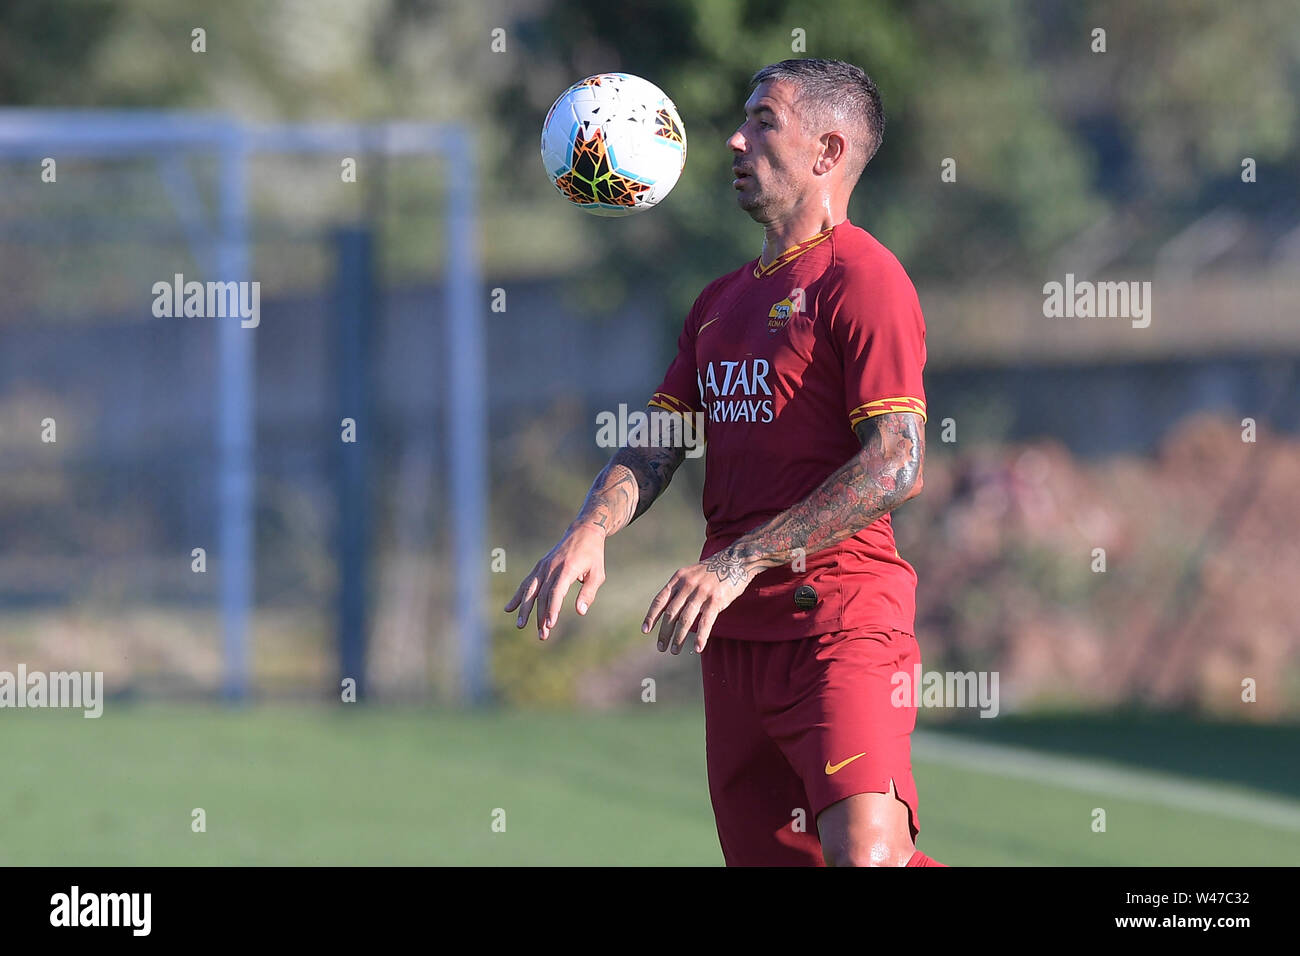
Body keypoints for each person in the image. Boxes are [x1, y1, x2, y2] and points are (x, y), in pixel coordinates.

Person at [506, 57, 946, 867]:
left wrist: (744, 557)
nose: (735, 138)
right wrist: (591, 528)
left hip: (840, 620)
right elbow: (658, 443)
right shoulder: (718, 303)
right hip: (735, 638)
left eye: (764, 120)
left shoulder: (865, 279)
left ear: (827, 151)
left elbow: (896, 464)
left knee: (866, 858)